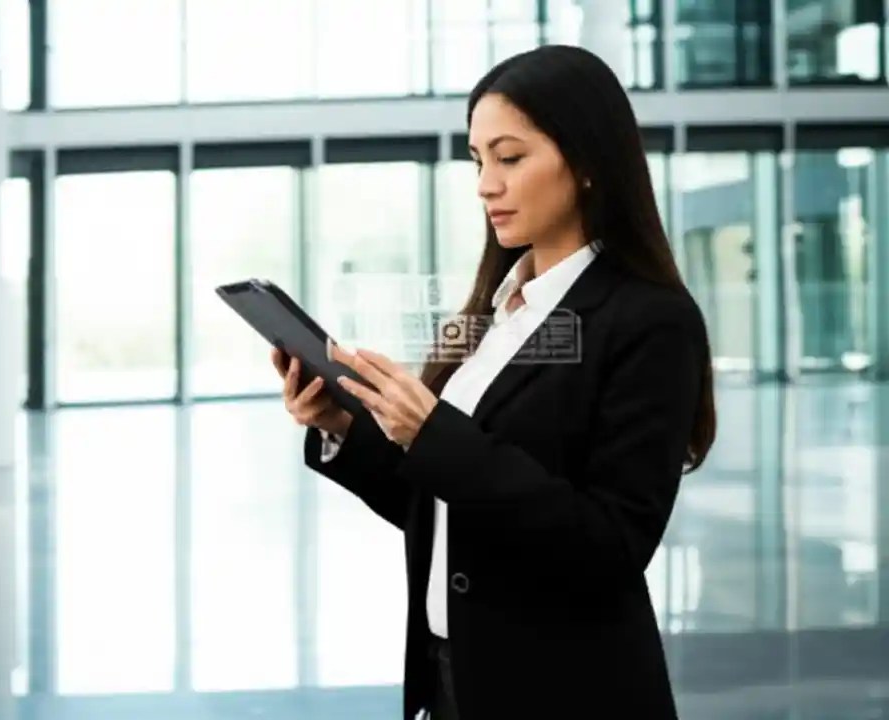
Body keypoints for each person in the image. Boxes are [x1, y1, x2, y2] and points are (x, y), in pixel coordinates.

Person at [271, 45, 716, 719]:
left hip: (567, 694)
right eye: (478, 160)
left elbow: (610, 545)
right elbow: (445, 504)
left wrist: (435, 435)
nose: (485, 184)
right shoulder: (490, 312)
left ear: (588, 162)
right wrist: (344, 425)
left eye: (509, 158)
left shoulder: (650, 321)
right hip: (457, 684)